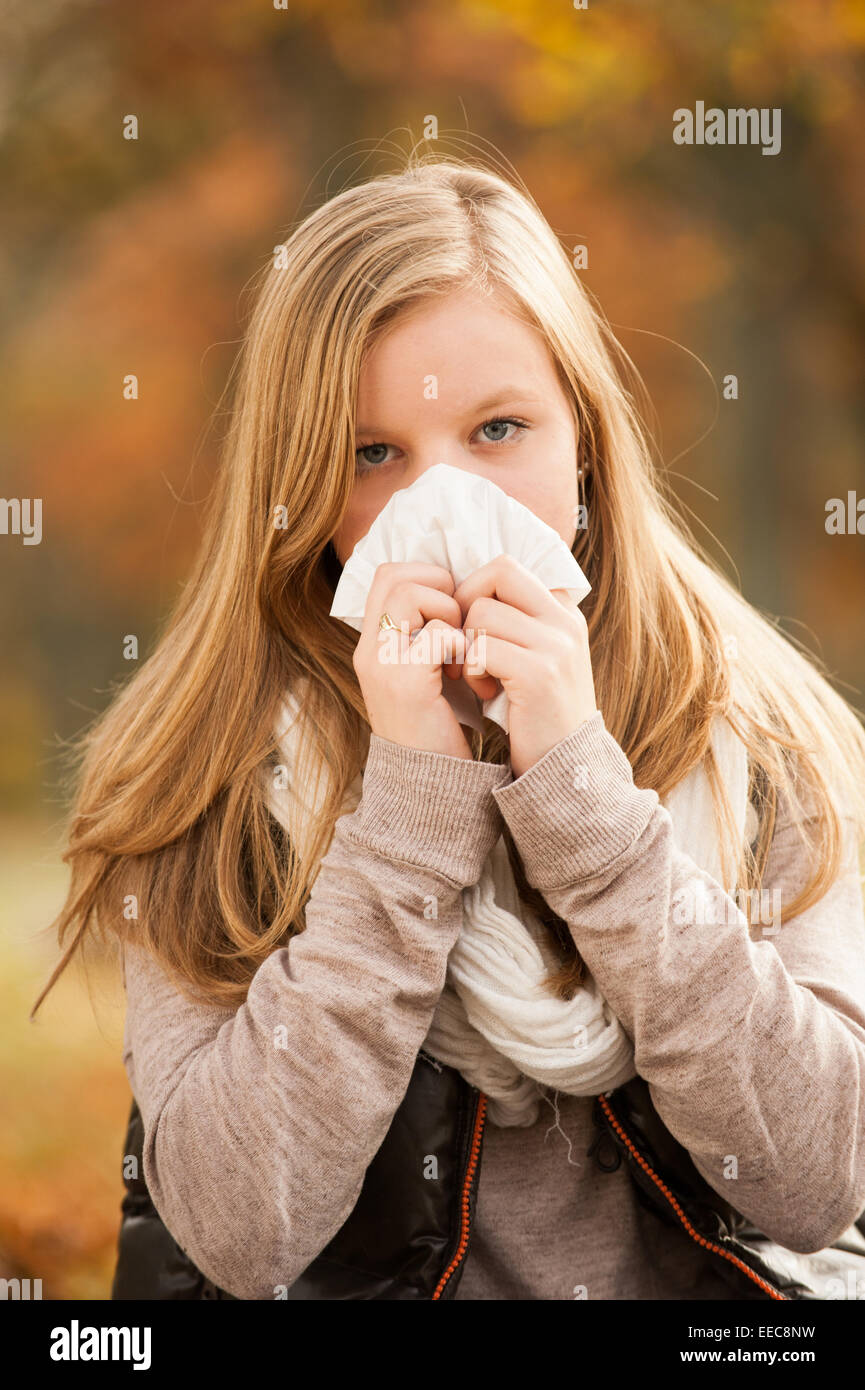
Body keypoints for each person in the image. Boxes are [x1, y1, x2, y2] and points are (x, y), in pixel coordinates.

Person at [33, 154, 865, 1300]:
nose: (441, 507)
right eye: (372, 453)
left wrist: (586, 802)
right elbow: (237, 1231)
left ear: (585, 440)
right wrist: (411, 806)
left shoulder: (756, 734)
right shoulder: (200, 766)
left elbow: (818, 1179)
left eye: (498, 429)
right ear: (297, 482)